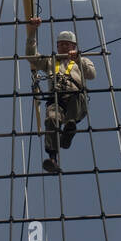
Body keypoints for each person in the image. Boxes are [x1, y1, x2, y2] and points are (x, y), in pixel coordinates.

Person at [25, 18, 96, 174]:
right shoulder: (51, 61)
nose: (63, 46)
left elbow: (91, 74)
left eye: (67, 44)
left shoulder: (82, 60)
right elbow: (32, 56)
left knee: (73, 103)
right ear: (57, 46)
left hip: (76, 99)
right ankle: (52, 158)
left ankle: (69, 128)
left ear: (74, 46)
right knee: (51, 118)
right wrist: (32, 33)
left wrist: (77, 59)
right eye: (61, 44)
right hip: (56, 98)